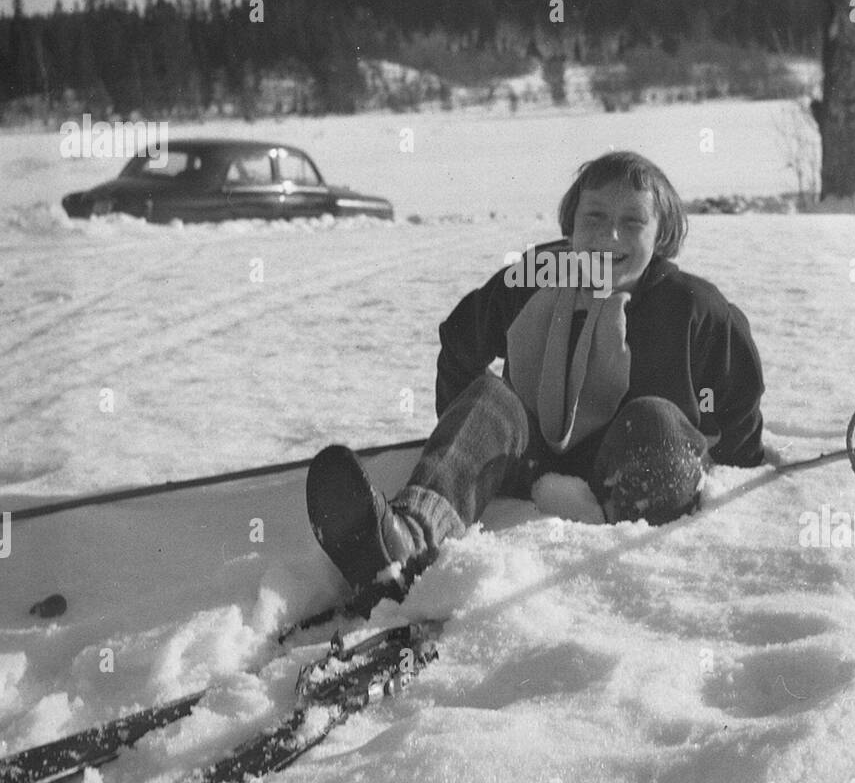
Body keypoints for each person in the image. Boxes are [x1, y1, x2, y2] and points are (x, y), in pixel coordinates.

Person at [306, 150, 766, 596]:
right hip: (539, 463)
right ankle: (404, 543)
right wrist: (466, 435)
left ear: (662, 233)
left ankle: (636, 565)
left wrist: (733, 468)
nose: (609, 236)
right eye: (594, 218)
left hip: (644, 482)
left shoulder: (694, 306)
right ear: (570, 225)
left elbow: (739, 396)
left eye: (632, 222)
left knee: (655, 419)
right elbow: (461, 339)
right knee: (491, 394)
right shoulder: (537, 276)